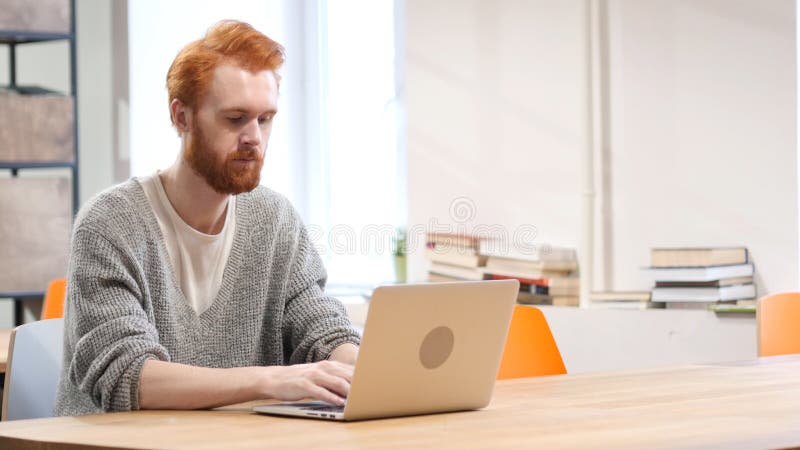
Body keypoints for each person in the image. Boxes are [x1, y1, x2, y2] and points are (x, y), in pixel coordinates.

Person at [55, 20, 360, 416]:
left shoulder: (275, 219)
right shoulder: (110, 224)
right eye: (236, 119)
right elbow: (129, 376)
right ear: (182, 117)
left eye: (265, 119)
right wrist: (269, 380)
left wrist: (367, 372)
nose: (254, 137)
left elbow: (321, 329)